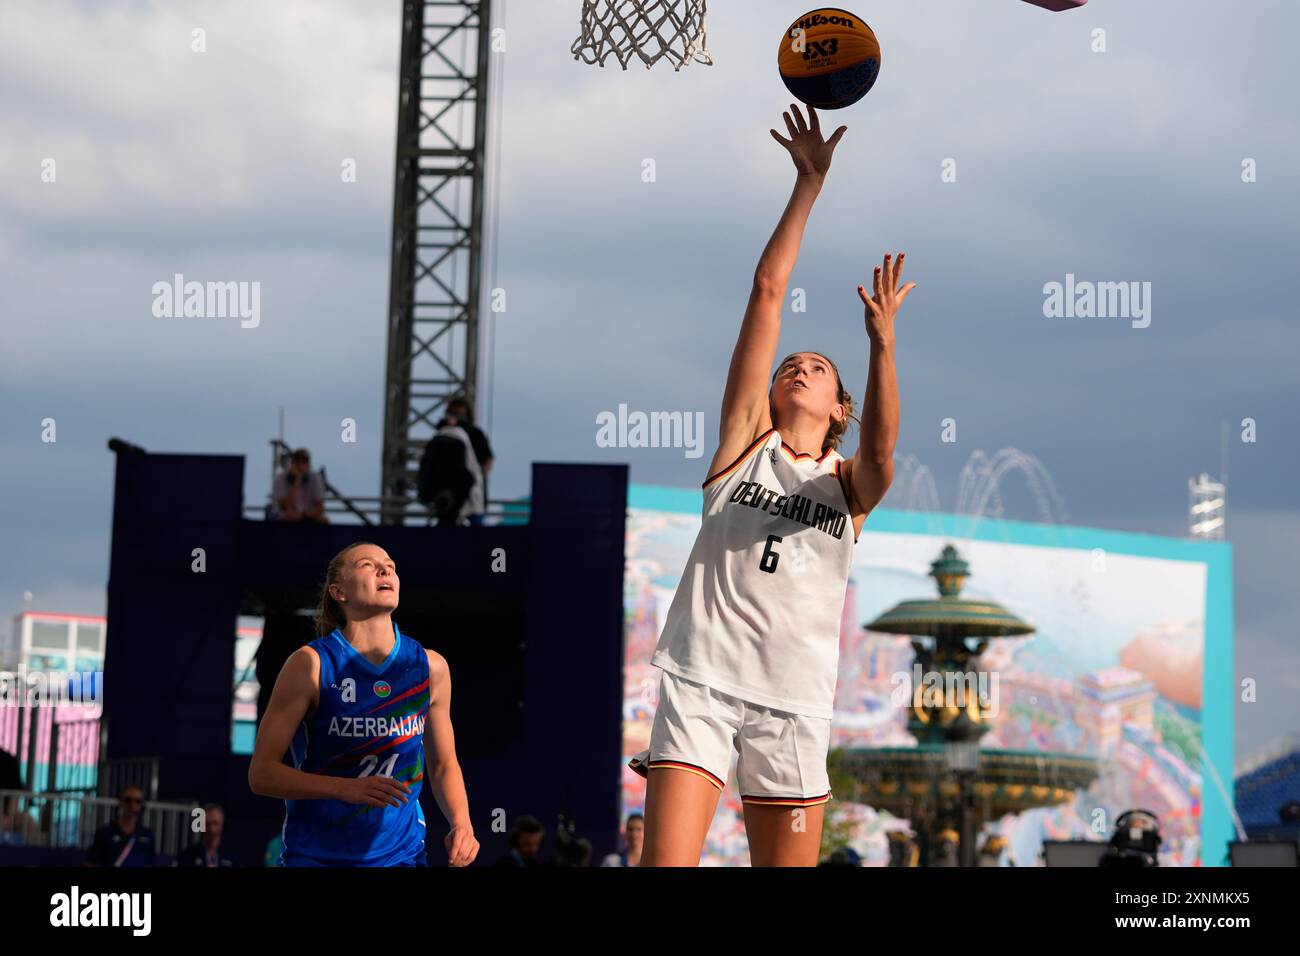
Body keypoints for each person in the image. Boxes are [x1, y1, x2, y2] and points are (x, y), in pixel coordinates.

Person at [629, 104, 912, 867]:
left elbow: (884, 448)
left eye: (817, 368)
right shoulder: (742, 449)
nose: (799, 365)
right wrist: (808, 186)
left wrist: (881, 346)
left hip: (793, 703)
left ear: (839, 407)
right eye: (794, 361)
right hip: (703, 683)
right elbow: (765, 290)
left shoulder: (848, 489)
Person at [248, 542, 479, 866]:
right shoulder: (310, 664)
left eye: (391, 565)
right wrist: (344, 788)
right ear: (339, 591)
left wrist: (462, 823)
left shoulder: (430, 667)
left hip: (402, 855)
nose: (386, 570)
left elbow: (442, 764)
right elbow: (262, 774)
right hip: (318, 855)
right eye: (368, 565)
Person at [417, 415, 484, 526]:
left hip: (454, 505)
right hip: (463, 505)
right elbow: (472, 476)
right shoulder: (461, 440)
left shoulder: (438, 441)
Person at [446, 397, 494, 523]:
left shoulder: (476, 434)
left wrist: (480, 476)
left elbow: (488, 459)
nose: (456, 416)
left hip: (473, 491)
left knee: (475, 526)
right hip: (450, 491)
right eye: (453, 413)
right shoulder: (445, 433)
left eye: (459, 413)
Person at [86, 785, 157, 867]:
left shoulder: (148, 834)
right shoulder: (105, 832)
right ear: (121, 802)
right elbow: (91, 862)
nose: (132, 805)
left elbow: (150, 863)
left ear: (142, 805)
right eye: (128, 800)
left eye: (138, 801)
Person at [271, 448, 328, 523]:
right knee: (286, 516)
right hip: (285, 517)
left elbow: (320, 508)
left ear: (308, 465)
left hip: (306, 517)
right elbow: (285, 506)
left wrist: (303, 515)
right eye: (297, 461)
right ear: (292, 463)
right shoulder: (280, 479)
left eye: (304, 462)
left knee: (324, 520)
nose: (300, 465)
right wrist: (297, 480)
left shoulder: (315, 478)